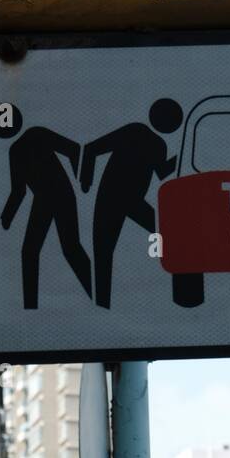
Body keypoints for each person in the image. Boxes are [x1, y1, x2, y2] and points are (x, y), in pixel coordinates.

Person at [80, 98, 184, 308]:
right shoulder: (134, 131)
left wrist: (181, 155)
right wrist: (85, 179)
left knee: (170, 235)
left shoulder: (159, 145)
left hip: (133, 202)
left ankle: (180, 289)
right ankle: (101, 306)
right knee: (103, 254)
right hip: (109, 200)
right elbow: (92, 148)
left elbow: (161, 172)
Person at [0, 105, 92, 309]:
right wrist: (6, 218)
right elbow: (18, 191)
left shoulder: (35, 134)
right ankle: (30, 307)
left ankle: (97, 295)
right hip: (43, 199)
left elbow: (73, 149)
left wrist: (82, 179)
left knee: (71, 249)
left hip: (62, 195)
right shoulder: (15, 150)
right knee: (29, 251)